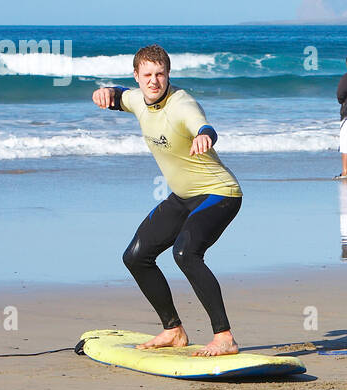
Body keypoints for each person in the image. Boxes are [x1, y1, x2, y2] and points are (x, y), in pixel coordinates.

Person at [91, 44, 243, 356]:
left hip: (219, 193)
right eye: (147, 74)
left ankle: (224, 336)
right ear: (137, 76)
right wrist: (105, 91)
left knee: (186, 253)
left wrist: (204, 136)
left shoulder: (182, 104)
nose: (154, 80)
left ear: (168, 74)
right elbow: (121, 95)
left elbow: (203, 125)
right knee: (136, 257)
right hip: (183, 196)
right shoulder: (137, 98)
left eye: (160, 74)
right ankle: (173, 330)